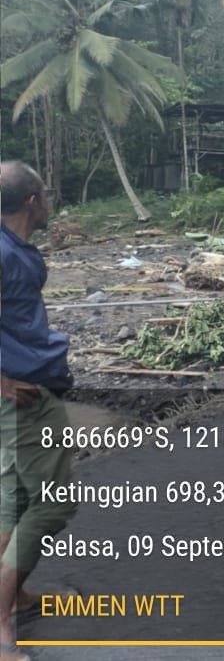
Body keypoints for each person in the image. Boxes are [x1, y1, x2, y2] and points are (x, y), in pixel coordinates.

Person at [0, 162, 78, 661]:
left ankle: (15, 598)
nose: (49, 202)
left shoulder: (13, 248)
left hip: (24, 388)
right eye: (45, 194)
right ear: (32, 201)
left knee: (15, 496)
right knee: (52, 503)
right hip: (21, 395)